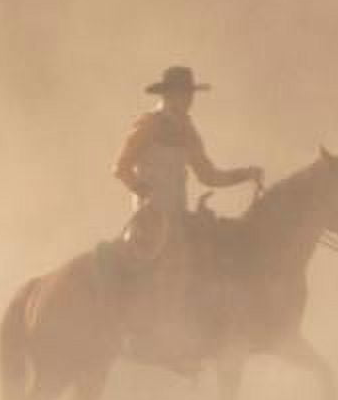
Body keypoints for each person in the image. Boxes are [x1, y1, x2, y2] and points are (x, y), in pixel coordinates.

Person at [111, 64, 264, 367]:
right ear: (169, 95)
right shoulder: (149, 125)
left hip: (177, 214)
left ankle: (201, 331)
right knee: (174, 259)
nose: (188, 100)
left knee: (215, 251)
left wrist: (245, 173)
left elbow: (207, 175)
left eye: (190, 94)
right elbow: (120, 167)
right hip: (150, 217)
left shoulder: (187, 130)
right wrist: (143, 191)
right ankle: (153, 336)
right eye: (183, 94)